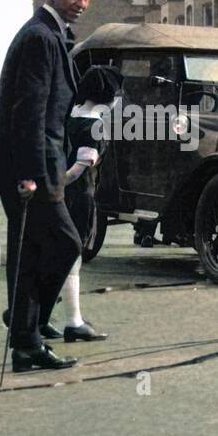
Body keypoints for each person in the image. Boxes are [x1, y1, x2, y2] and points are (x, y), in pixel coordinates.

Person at [0, 0, 94, 373]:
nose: (81, 2)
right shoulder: (41, 38)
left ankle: (27, 338)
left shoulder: (50, 34)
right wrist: (30, 174)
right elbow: (28, 111)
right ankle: (25, 323)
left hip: (35, 163)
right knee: (65, 243)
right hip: (31, 167)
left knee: (30, 253)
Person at [48, 65, 123, 342]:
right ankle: (74, 321)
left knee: (56, 254)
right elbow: (80, 167)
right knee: (73, 258)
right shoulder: (95, 125)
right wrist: (57, 187)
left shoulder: (70, 116)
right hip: (78, 196)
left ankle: (44, 315)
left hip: (61, 197)